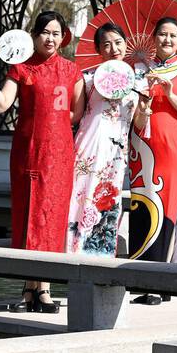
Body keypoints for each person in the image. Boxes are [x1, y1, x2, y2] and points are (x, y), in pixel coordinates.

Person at [0, 10, 83, 313]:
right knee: (28, 215)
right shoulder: (21, 68)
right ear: (34, 36)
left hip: (60, 153)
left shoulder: (71, 70)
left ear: (63, 36)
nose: (50, 38)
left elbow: (76, 113)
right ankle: (28, 287)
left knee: (52, 216)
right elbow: (1, 105)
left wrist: (55, 124)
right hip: (27, 150)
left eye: (56, 33)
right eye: (45, 33)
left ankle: (46, 289)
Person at [126, 16, 177, 304]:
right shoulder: (139, 73)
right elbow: (135, 117)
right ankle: (139, 278)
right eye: (162, 35)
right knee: (141, 208)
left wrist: (170, 93)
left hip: (172, 150)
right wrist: (143, 104)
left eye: (172, 36)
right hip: (141, 147)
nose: (167, 40)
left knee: (167, 211)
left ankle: (161, 283)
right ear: (153, 39)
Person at [68, 22, 146, 258]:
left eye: (118, 42)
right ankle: (71, 251)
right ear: (99, 50)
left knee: (107, 198)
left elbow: (139, 125)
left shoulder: (139, 80)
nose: (114, 48)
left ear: (126, 44)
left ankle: (100, 256)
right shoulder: (88, 78)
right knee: (80, 195)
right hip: (89, 144)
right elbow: (77, 115)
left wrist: (144, 107)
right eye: (107, 44)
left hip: (116, 151)